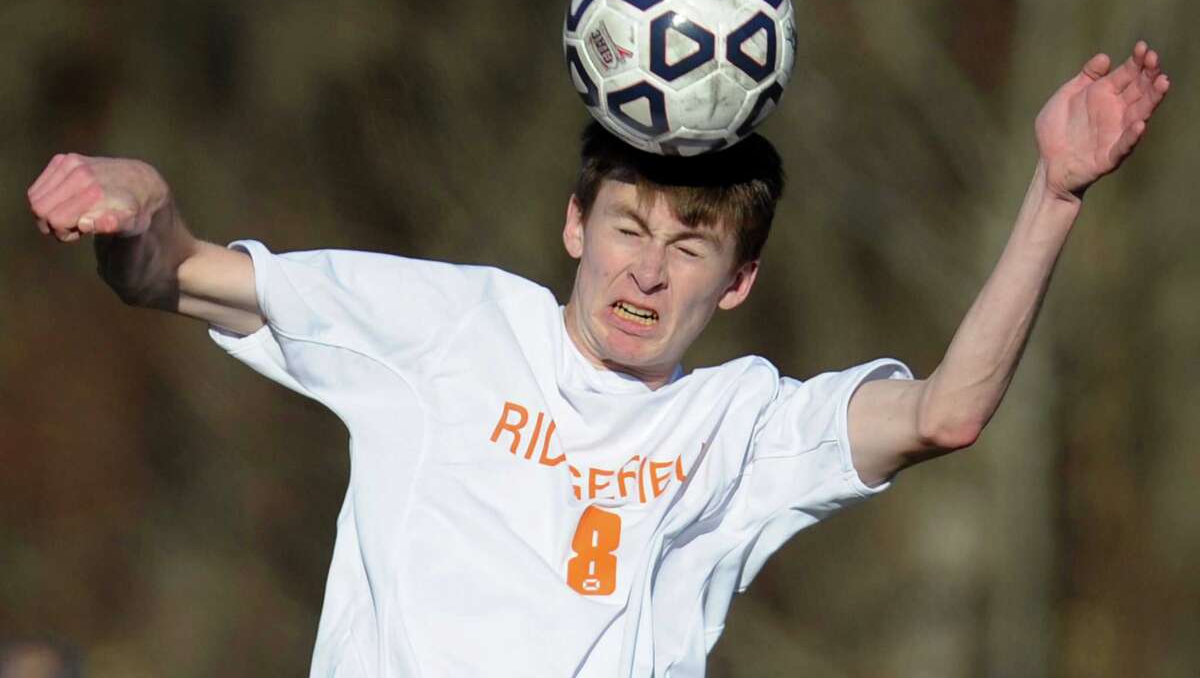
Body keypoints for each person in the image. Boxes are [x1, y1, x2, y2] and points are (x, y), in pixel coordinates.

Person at [26, 43, 1169, 676]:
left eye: (690, 248)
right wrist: (141, 210)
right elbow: (171, 276)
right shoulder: (450, 326)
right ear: (575, 224)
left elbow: (947, 413)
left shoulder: (740, 427)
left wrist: (1055, 196)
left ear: (740, 282)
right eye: (627, 228)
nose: (646, 274)